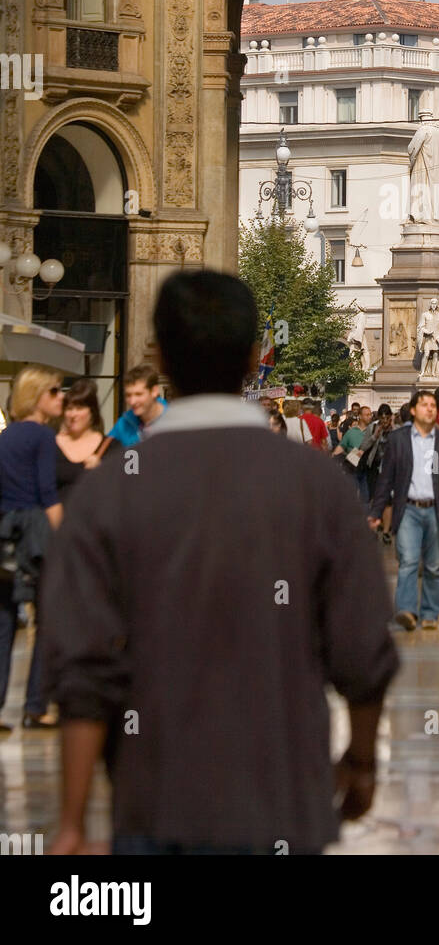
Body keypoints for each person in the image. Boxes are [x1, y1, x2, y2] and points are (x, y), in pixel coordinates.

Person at [42, 269, 398, 856]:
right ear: (255, 354)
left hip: (157, 803)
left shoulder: (110, 489)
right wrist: (361, 760)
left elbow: (83, 668)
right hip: (283, 802)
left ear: (158, 355)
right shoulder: (316, 483)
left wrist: (74, 820)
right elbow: (362, 647)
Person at [0, 367, 65, 732]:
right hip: (36, 535)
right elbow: (48, 494)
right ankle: (36, 705)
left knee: (5, 623)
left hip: (5, 535)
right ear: (37, 396)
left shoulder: (5, 439)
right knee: (48, 620)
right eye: (55, 391)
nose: (61, 397)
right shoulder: (42, 437)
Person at [369, 389, 439, 632]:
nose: (430, 409)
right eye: (424, 405)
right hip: (407, 507)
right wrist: (376, 512)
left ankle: (430, 612)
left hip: (435, 509)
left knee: (432, 564)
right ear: (412, 410)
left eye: (433, 405)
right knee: (408, 560)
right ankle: (406, 610)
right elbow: (386, 479)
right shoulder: (398, 440)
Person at [55, 380, 116, 496]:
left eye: (79, 408)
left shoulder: (111, 446)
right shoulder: (50, 444)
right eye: (69, 409)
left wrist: (102, 472)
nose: (73, 415)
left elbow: (124, 487)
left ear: (92, 411)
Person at [107, 365, 167, 447]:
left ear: (154, 391)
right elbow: (105, 452)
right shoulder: (124, 422)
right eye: (128, 395)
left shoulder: (175, 420)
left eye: (138, 394)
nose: (132, 401)